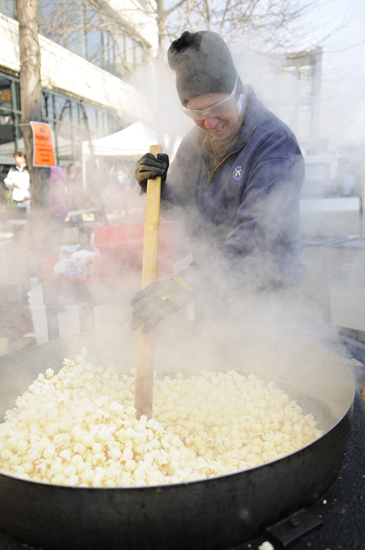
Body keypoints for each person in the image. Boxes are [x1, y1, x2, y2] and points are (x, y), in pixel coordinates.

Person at [131, 30, 305, 332]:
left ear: (238, 90)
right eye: (195, 112)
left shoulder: (274, 144)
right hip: (213, 292)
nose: (209, 122)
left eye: (217, 107)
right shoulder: (195, 141)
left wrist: (185, 283)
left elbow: (254, 236)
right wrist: (156, 188)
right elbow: (184, 208)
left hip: (267, 300)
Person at [3, 151, 31, 217]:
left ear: (23, 157)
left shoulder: (29, 169)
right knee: (16, 218)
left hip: (27, 199)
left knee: (27, 219)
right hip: (15, 199)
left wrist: (18, 184)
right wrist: (12, 183)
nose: (15, 159)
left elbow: (31, 184)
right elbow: (6, 180)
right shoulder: (13, 169)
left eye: (16, 157)